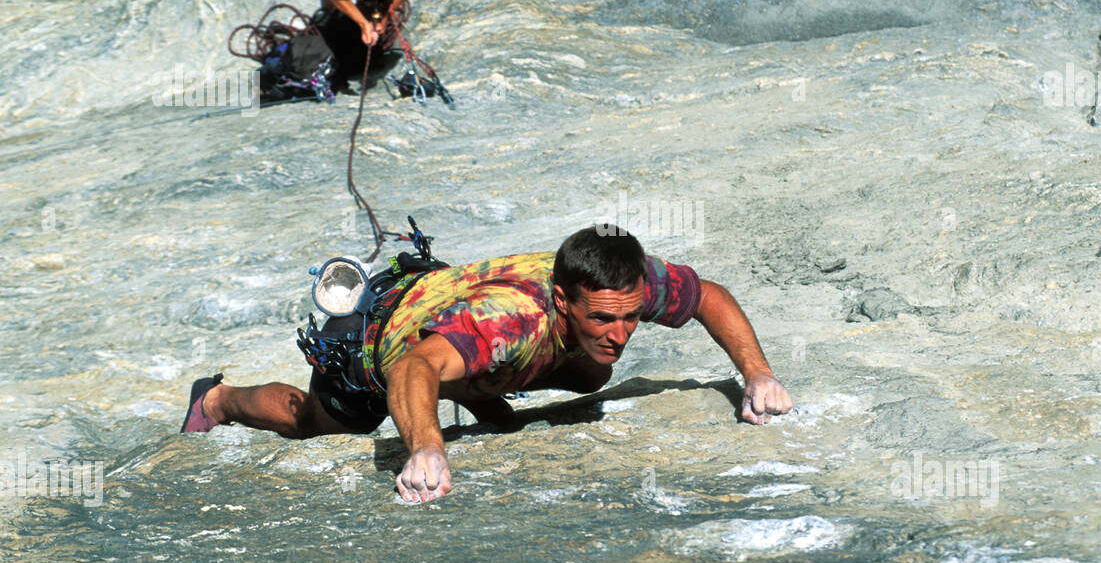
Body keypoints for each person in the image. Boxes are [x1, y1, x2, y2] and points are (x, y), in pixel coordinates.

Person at [180, 226, 794, 503]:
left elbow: (708, 295)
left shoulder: (622, 282)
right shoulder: (513, 321)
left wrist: (757, 374)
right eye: (603, 319)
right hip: (383, 346)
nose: (622, 331)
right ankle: (217, 399)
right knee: (315, 421)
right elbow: (412, 371)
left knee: (593, 372)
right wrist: (426, 446)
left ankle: (475, 387)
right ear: (562, 300)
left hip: (455, 322)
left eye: (630, 315)